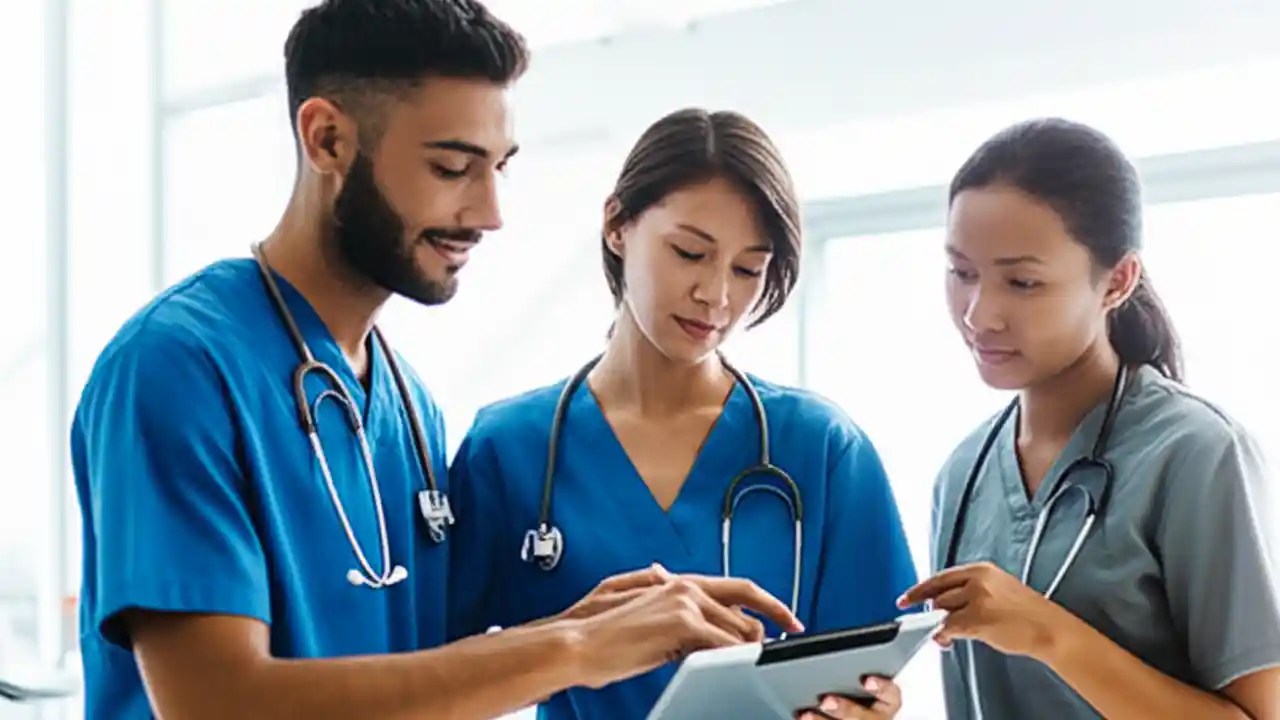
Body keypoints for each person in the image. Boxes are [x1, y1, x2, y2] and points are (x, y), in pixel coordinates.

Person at [68, 2, 802, 719]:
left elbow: (421, 682)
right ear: (327, 141)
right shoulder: (178, 369)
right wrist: (575, 646)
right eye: (453, 167)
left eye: (498, 169)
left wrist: (570, 629)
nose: (489, 212)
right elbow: (215, 703)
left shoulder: (409, 410)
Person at [446, 107, 920, 720]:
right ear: (617, 225)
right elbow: (439, 678)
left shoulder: (821, 447)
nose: (717, 296)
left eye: (749, 269)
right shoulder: (508, 449)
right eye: (690, 253)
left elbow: (870, 677)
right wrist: (571, 643)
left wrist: (868, 712)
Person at [897, 117, 1280, 719]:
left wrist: (1049, 634)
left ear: (1118, 281)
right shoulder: (964, 473)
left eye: (1022, 282)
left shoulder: (1197, 454)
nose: (979, 314)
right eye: (962, 273)